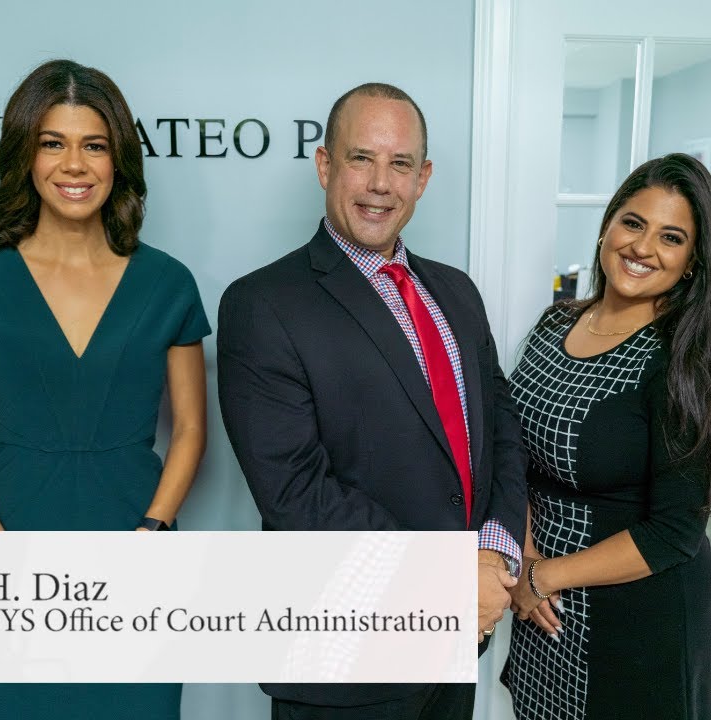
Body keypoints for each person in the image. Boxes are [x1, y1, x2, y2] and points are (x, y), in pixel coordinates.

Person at [216, 82, 528, 719]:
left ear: (423, 178)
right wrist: (447, 580)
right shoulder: (262, 304)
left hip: (453, 650)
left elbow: (499, 429)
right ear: (325, 164)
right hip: (342, 659)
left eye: (400, 163)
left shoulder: (457, 293)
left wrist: (495, 551)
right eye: (361, 158)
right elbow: (295, 493)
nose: (380, 183)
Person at [0, 59, 209, 720]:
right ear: (25, 154)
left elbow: (192, 430)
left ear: (118, 159)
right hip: (14, 549)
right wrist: (2, 564)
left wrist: (153, 532)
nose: (74, 164)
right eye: (53, 143)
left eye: (94, 145)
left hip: (139, 555)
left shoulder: (167, 282)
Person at [502, 153, 711, 719]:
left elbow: (673, 532)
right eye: (633, 223)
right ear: (607, 227)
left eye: (671, 237)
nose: (643, 247)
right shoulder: (555, 324)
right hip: (545, 603)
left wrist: (544, 575)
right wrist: (523, 556)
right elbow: (512, 453)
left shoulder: (683, 363)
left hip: (638, 618)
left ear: (692, 262)